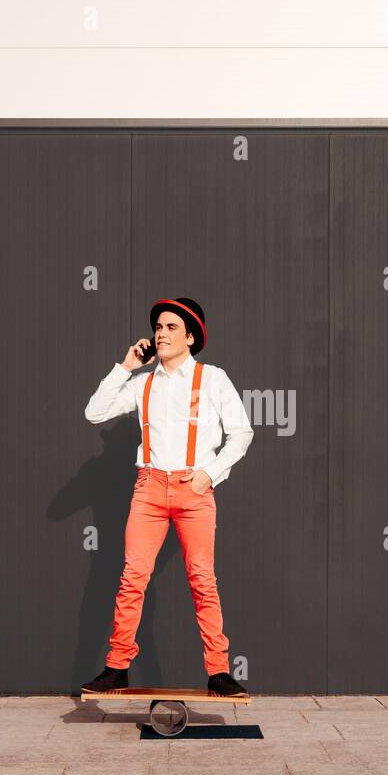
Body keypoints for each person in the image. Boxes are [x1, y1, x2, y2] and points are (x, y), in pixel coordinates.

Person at [81, 298, 254, 696]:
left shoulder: (212, 378)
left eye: (172, 327)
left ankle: (218, 671)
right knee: (132, 579)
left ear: (191, 337)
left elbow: (242, 433)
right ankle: (117, 667)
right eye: (158, 326)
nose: (161, 333)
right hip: (150, 489)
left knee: (202, 581)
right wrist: (125, 366)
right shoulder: (143, 383)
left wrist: (209, 473)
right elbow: (94, 412)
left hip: (194, 490)